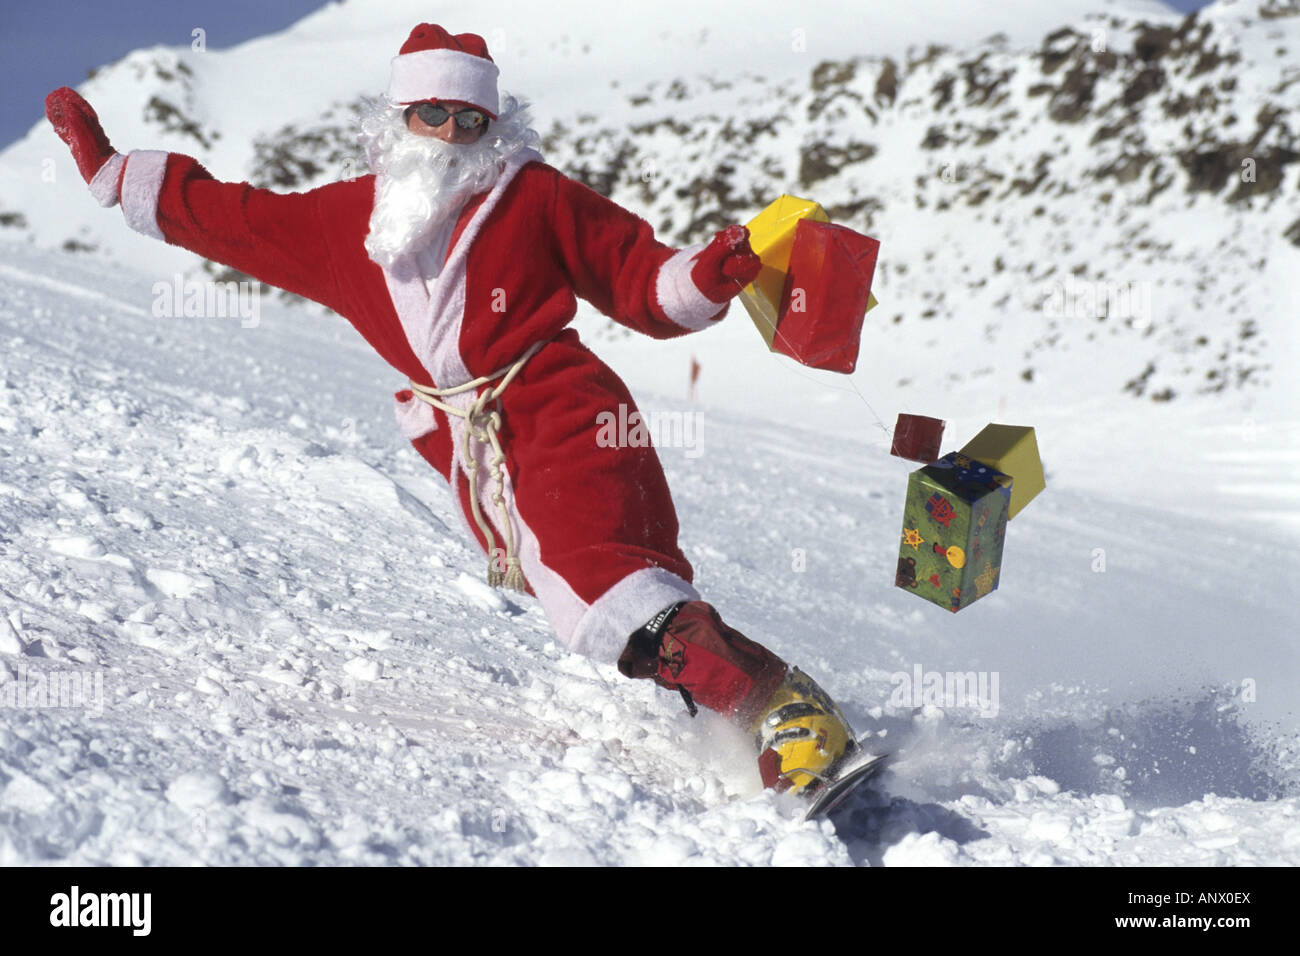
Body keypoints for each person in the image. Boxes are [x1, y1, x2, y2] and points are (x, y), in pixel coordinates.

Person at [44, 22, 858, 796]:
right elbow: (236, 220)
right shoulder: (341, 223)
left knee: (599, 581)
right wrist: (116, 174)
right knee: (599, 596)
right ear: (400, 117)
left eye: (472, 118)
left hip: (564, 408)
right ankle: (754, 711)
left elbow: (642, 282)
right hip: (478, 444)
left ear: (493, 124)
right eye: (433, 113)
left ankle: (783, 709)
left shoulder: (534, 195)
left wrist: (715, 269)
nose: (450, 132)